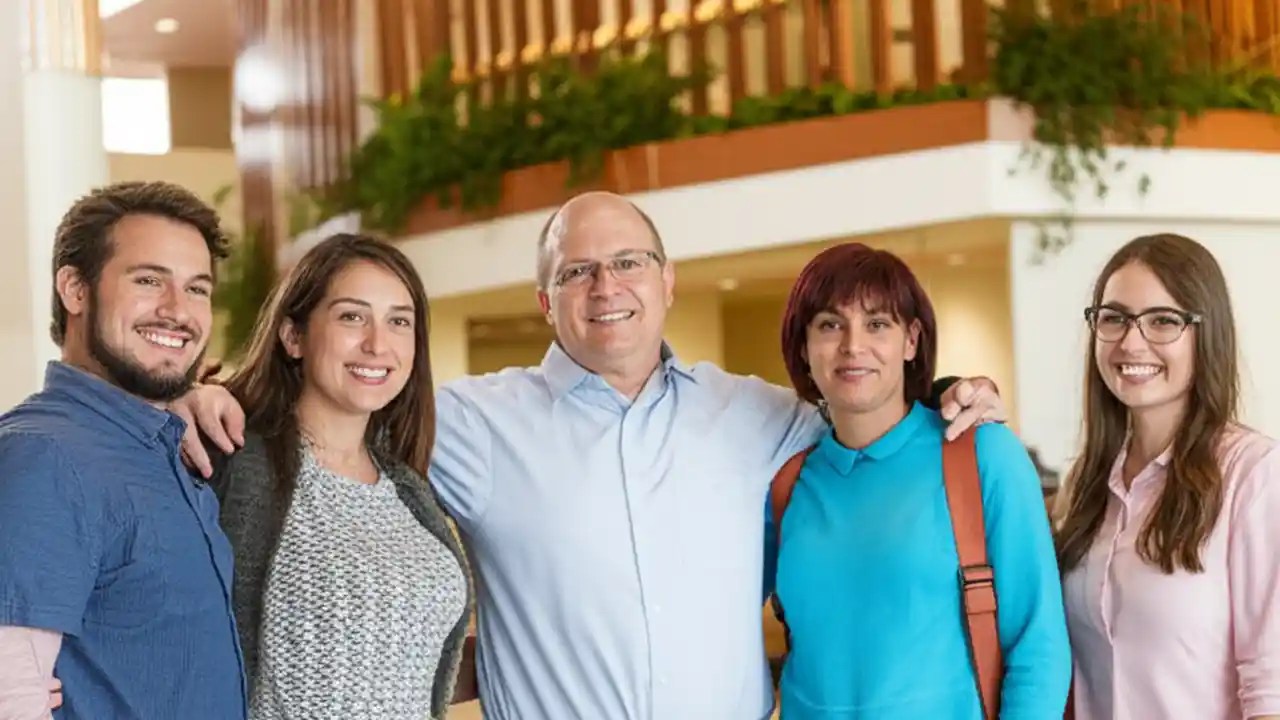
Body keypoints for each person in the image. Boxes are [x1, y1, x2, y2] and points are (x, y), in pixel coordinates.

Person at [175, 191, 1007, 719]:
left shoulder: (754, 413)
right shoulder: (467, 421)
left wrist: (950, 394)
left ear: (668, 280)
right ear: (546, 301)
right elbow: (342, 395)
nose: (606, 287)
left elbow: (868, 413)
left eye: (628, 263)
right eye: (578, 272)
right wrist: (207, 395)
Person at [767, 242, 1071, 718]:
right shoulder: (786, 485)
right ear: (804, 347)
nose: (853, 346)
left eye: (877, 324)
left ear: (911, 340)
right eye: (830, 325)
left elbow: (1039, 645)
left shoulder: (981, 454)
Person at [0, 181, 245, 719]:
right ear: (75, 289)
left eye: (197, 288)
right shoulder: (44, 457)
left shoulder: (165, 446)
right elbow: (10, 694)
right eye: (149, 280)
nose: (178, 311)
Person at [206, 234, 473, 719]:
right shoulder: (236, 461)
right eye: (352, 316)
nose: (377, 343)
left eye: (399, 322)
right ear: (293, 336)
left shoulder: (409, 491)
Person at [1056, 234, 1280, 720]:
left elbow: (1271, 688)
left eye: (1163, 321)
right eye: (1114, 318)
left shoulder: (1254, 474)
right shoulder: (1084, 485)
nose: (1131, 341)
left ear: (1207, 333)